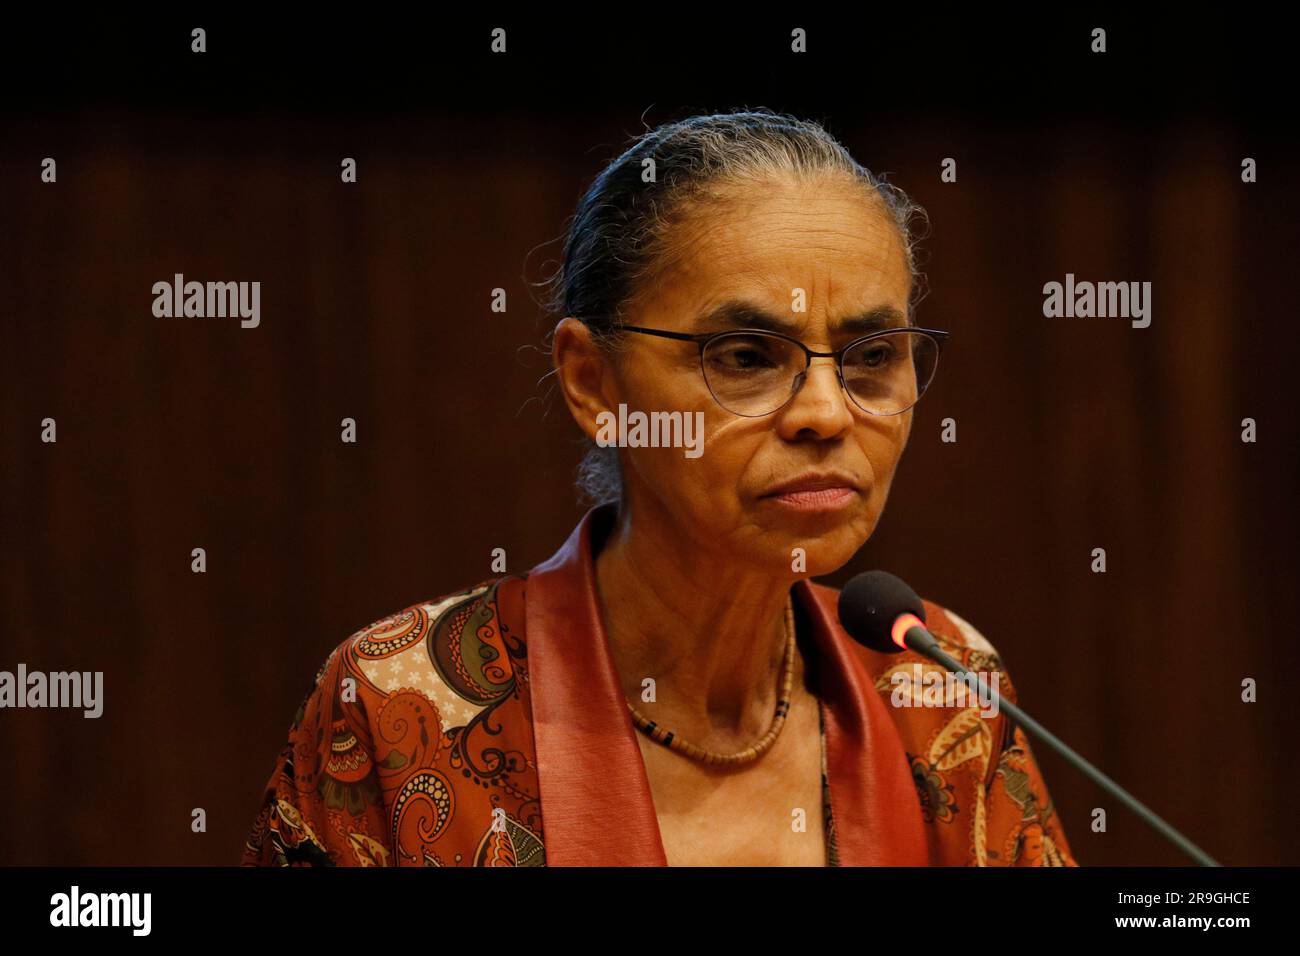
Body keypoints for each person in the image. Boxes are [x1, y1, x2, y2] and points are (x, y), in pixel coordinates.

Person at [241, 109, 1076, 867]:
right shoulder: (401, 707)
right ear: (594, 383)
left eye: (872, 357)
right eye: (746, 358)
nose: (826, 413)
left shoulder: (937, 683)